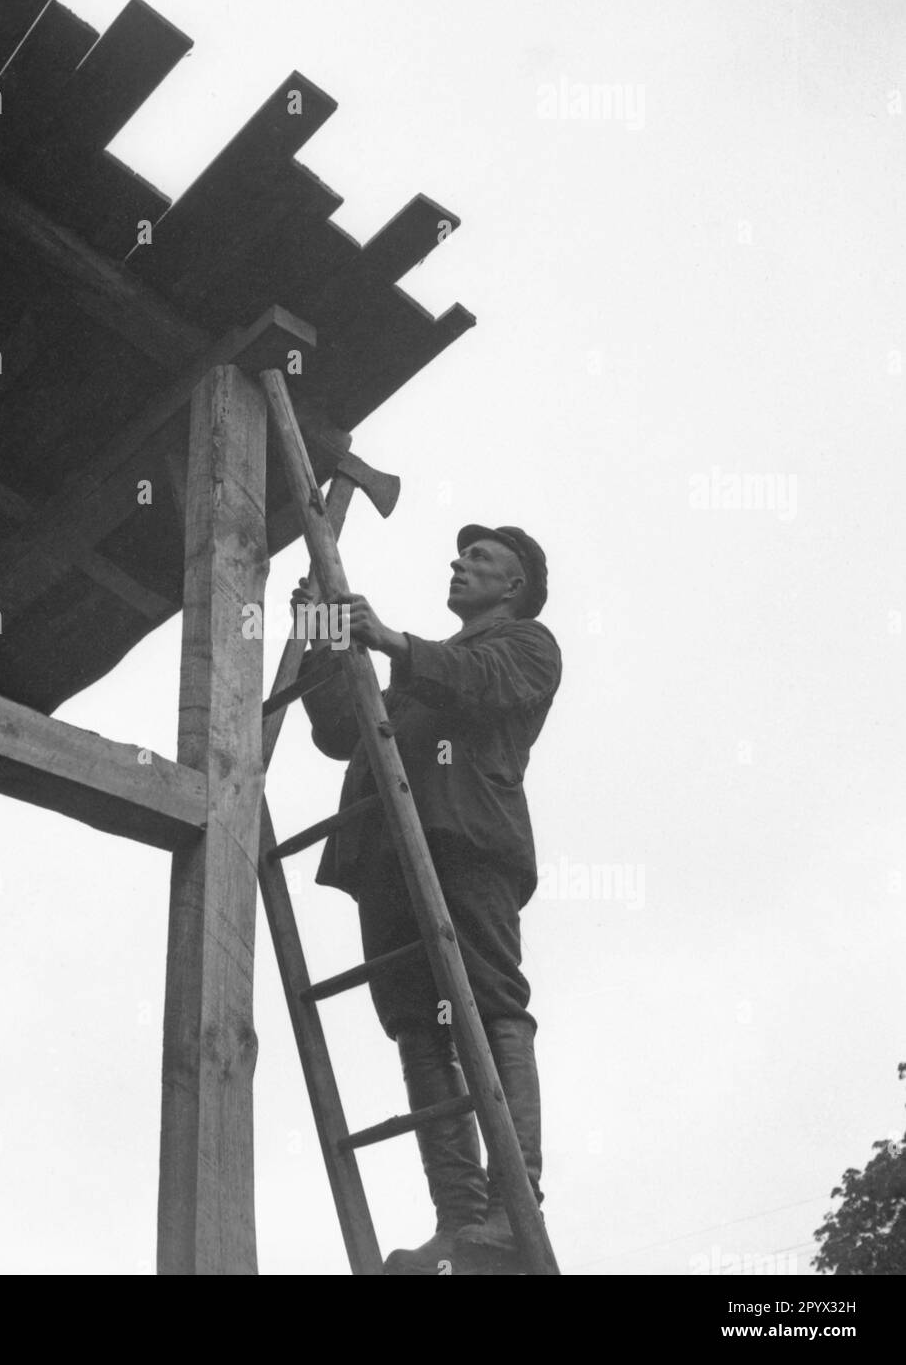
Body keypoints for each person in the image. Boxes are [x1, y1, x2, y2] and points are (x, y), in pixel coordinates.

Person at [294, 524, 561, 1275]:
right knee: (416, 1025)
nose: (458, 562)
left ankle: (512, 1207)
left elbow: (475, 683)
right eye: (461, 554)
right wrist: (319, 631)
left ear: (513, 587)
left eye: (479, 559)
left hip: (462, 843)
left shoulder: (527, 646)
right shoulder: (421, 668)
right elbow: (343, 731)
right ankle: (461, 1219)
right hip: (383, 850)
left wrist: (387, 638)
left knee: (489, 1006)